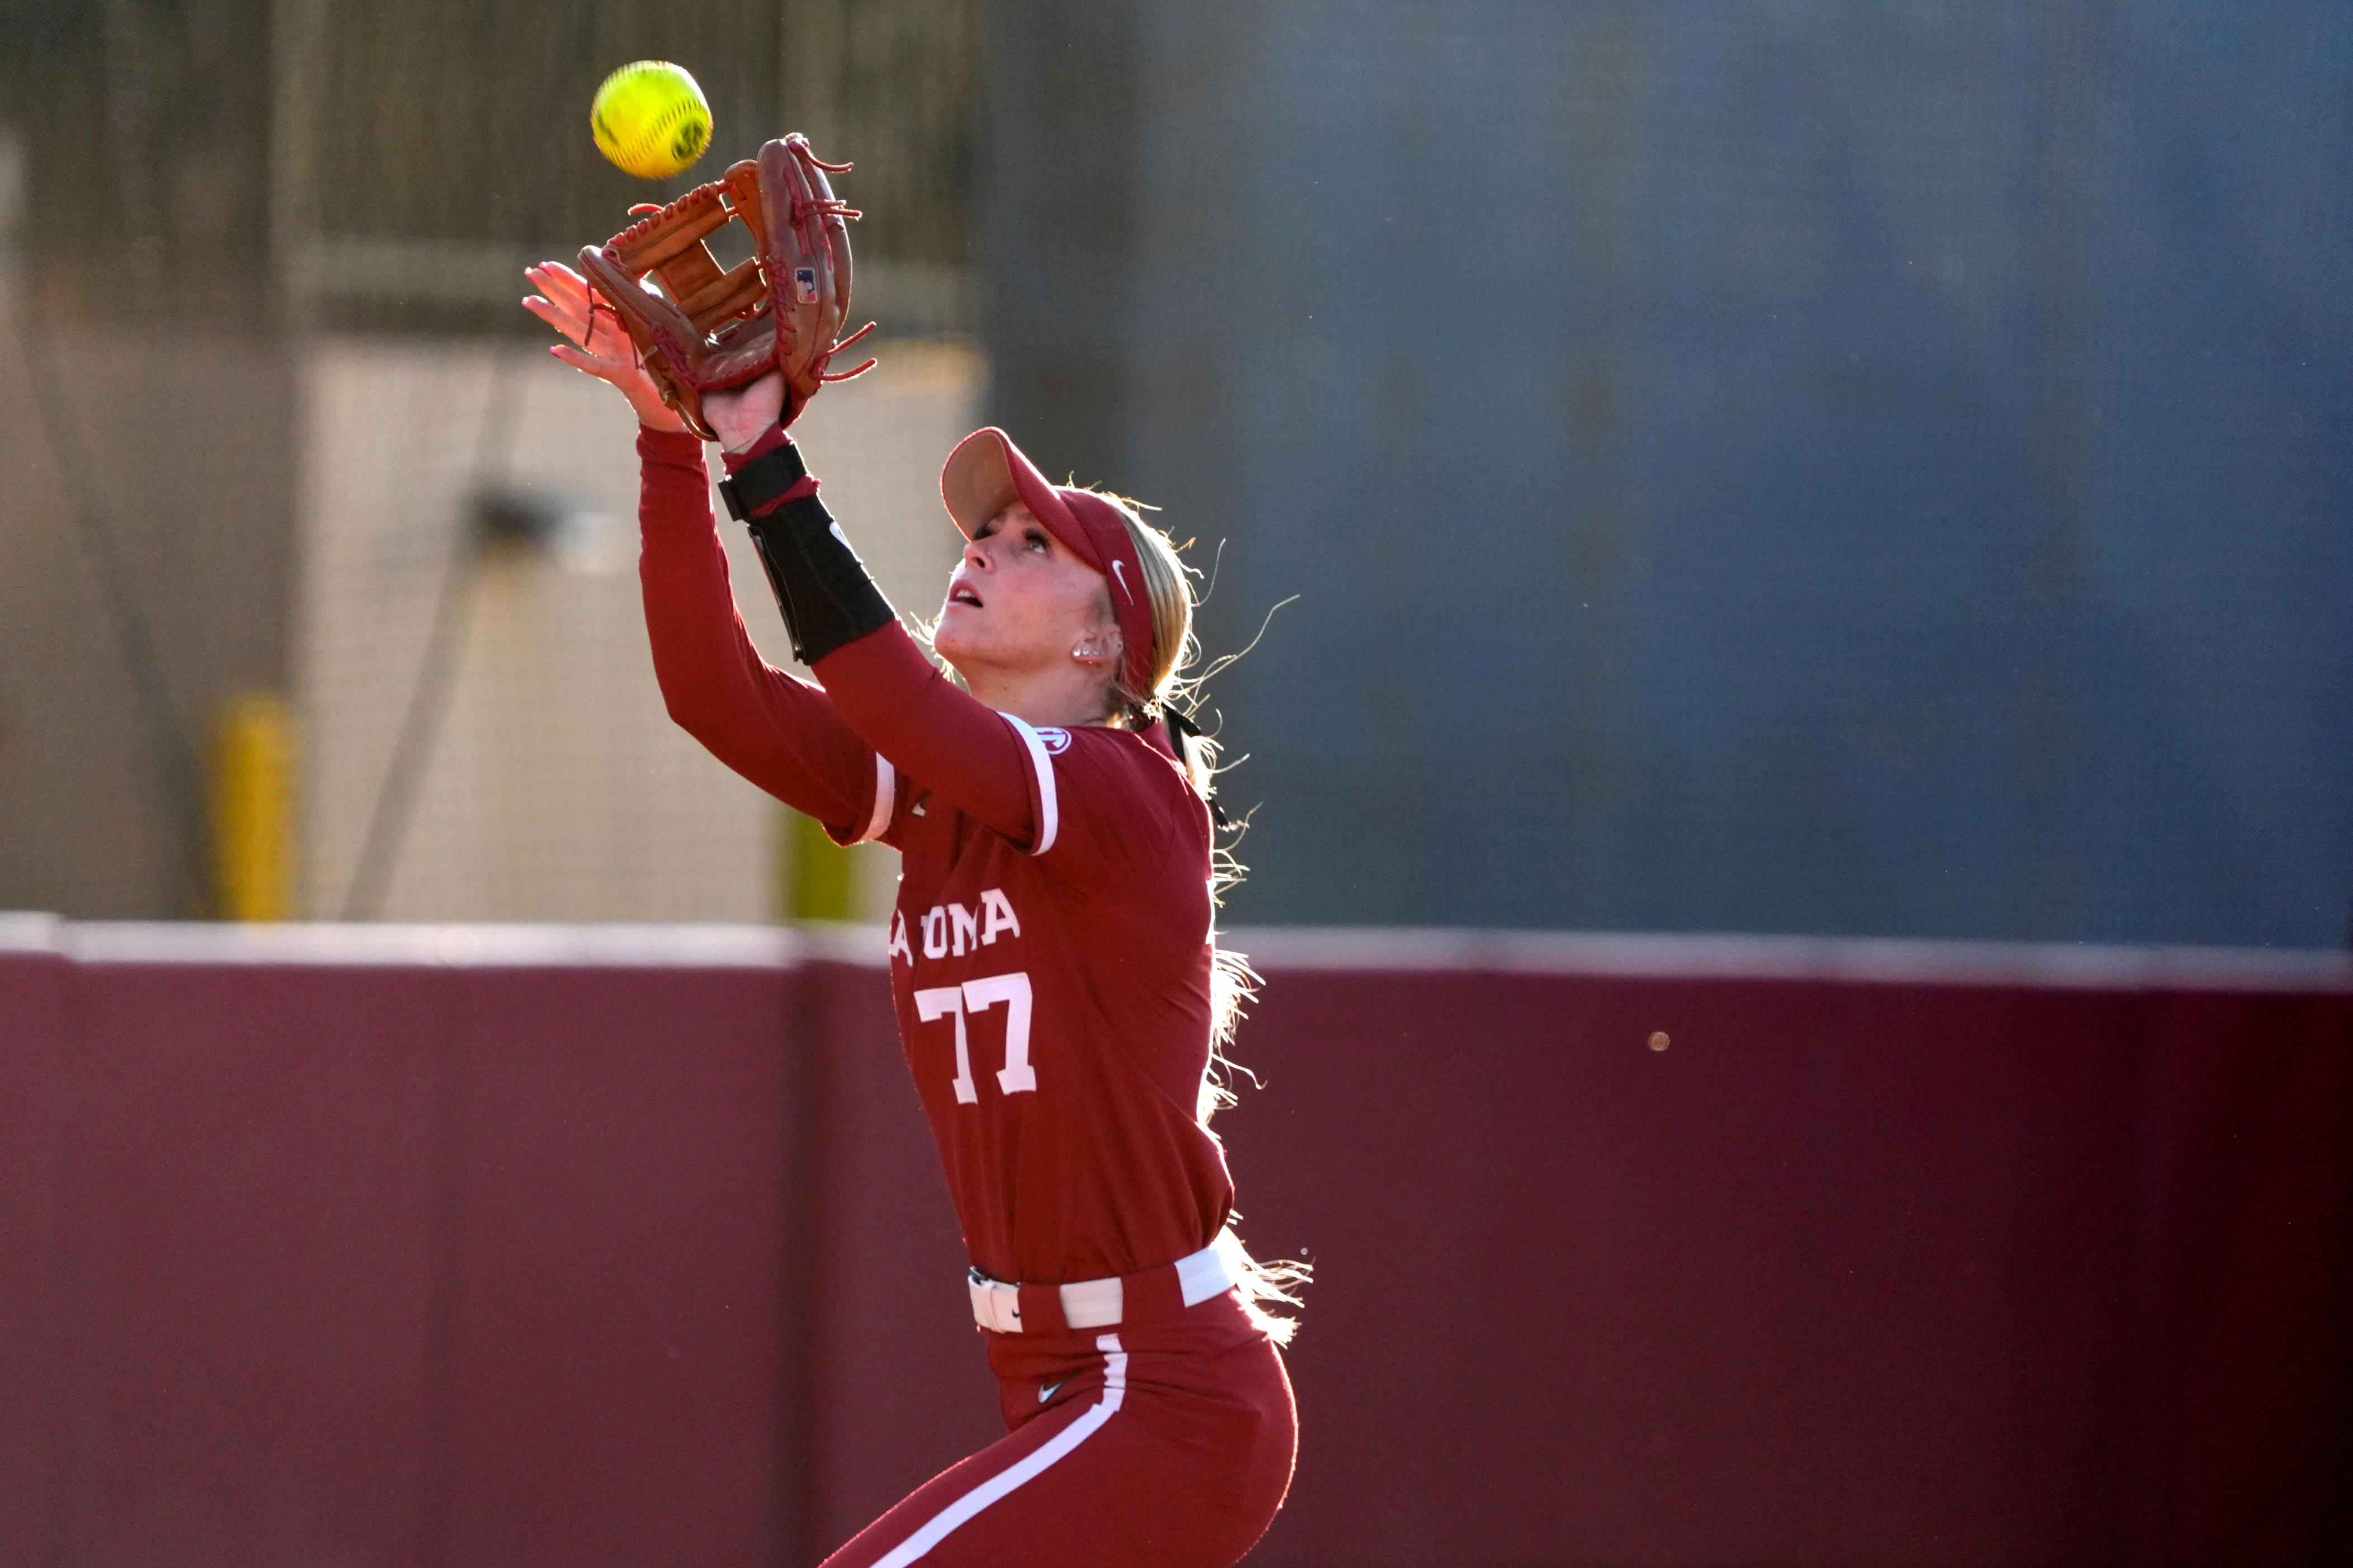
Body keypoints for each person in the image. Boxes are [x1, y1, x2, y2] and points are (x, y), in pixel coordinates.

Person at [524, 259, 1300, 1568]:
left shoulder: (1128, 799)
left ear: (1105, 647)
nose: (984, 548)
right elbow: (715, 695)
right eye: (985, 533)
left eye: (1032, 543)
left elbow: (885, 694)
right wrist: (669, 446)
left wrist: (764, 459)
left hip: (1160, 1395)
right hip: (1059, 1382)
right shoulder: (940, 800)